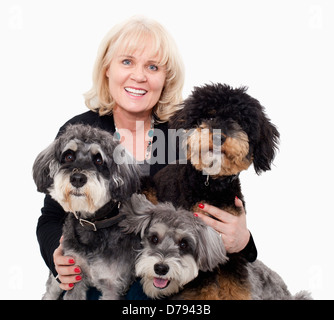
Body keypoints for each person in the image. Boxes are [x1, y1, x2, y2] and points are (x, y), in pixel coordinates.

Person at [36, 16, 257, 299]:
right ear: (107, 68)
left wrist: (245, 241)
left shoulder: (185, 136)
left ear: (166, 78)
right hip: (96, 274)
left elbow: (218, 203)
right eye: (127, 62)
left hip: (166, 279)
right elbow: (51, 216)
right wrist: (57, 257)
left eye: (152, 67)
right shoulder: (79, 132)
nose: (139, 76)